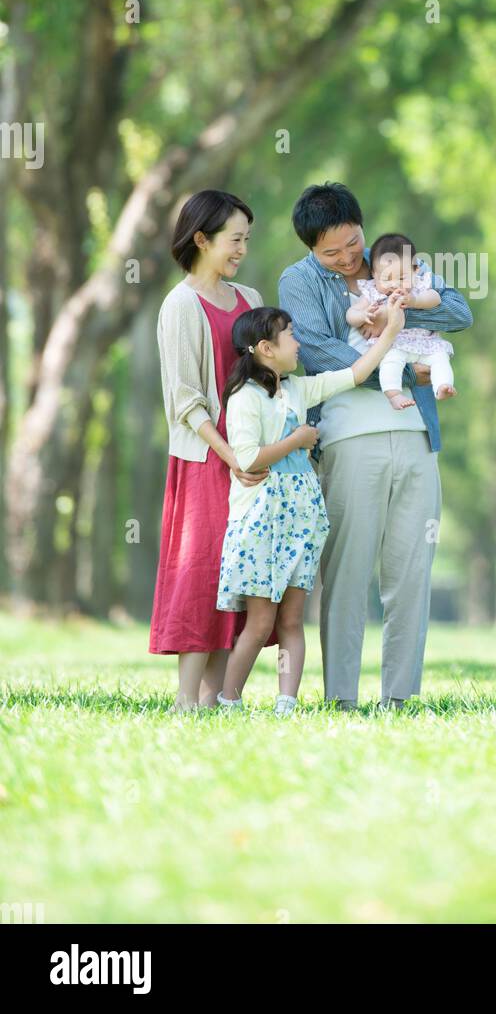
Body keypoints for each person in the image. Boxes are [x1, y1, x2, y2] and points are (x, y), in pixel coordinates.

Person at [277, 182, 473, 712]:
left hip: (417, 438)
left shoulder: (393, 259)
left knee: (411, 574)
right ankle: (341, 699)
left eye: (352, 244)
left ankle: (400, 699)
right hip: (347, 439)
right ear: (310, 249)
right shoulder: (297, 281)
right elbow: (320, 353)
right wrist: (410, 372)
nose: (346, 259)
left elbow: (458, 311)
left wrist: (401, 302)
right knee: (346, 575)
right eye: (331, 252)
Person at [214, 294, 409, 714]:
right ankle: (228, 699)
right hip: (262, 520)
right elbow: (246, 457)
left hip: (301, 519)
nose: (297, 342)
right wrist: (297, 441)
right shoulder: (244, 397)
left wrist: (390, 332)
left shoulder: (300, 388)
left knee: (291, 620)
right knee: (261, 620)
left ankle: (287, 702)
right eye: (289, 335)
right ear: (266, 349)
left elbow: (355, 374)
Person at [149, 189, 275, 712]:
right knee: (201, 569)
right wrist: (233, 458)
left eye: (247, 238)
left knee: (238, 573)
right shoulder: (180, 305)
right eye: (234, 238)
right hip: (208, 461)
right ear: (201, 239)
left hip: (251, 459)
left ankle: (215, 697)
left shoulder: (247, 298)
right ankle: (186, 699)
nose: (242, 248)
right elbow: (187, 403)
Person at [345, 231, 457, 408]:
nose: (395, 284)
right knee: (390, 363)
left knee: (440, 359)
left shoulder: (421, 285)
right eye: (386, 278)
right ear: (373, 274)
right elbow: (351, 314)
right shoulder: (372, 292)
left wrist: (414, 300)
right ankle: (394, 394)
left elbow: (436, 298)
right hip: (394, 344)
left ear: (415, 270)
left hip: (426, 342)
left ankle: (443, 386)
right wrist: (364, 315)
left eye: (402, 277)